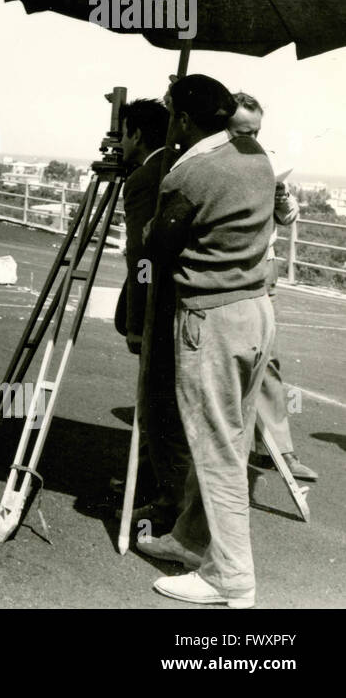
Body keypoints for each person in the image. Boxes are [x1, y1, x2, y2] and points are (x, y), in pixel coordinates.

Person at [139, 74, 275, 609]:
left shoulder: (190, 173)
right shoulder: (255, 153)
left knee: (215, 449)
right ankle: (193, 540)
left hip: (213, 318)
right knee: (230, 441)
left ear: (184, 120)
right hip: (257, 313)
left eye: (173, 113)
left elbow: (159, 248)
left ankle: (232, 581)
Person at [229, 92, 317, 482]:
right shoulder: (218, 166)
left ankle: (277, 450)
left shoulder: (263, 164)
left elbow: (289, 216)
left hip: (263, 274)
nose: (252, 139)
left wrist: (280, 195)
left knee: (269, 362)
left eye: (257, 132)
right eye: (242, 131)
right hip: (228, 276)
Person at [117, 97, 189, 530]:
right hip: (179, 304)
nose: (119, 141)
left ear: (138, 135)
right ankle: (152, 483)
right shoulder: (172, 163)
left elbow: (142, 254)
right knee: (162, 401)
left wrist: (139, 317)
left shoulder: (147, 177)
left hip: (158, 308)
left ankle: (159, 493)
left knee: (156, 400)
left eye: (124, 133)